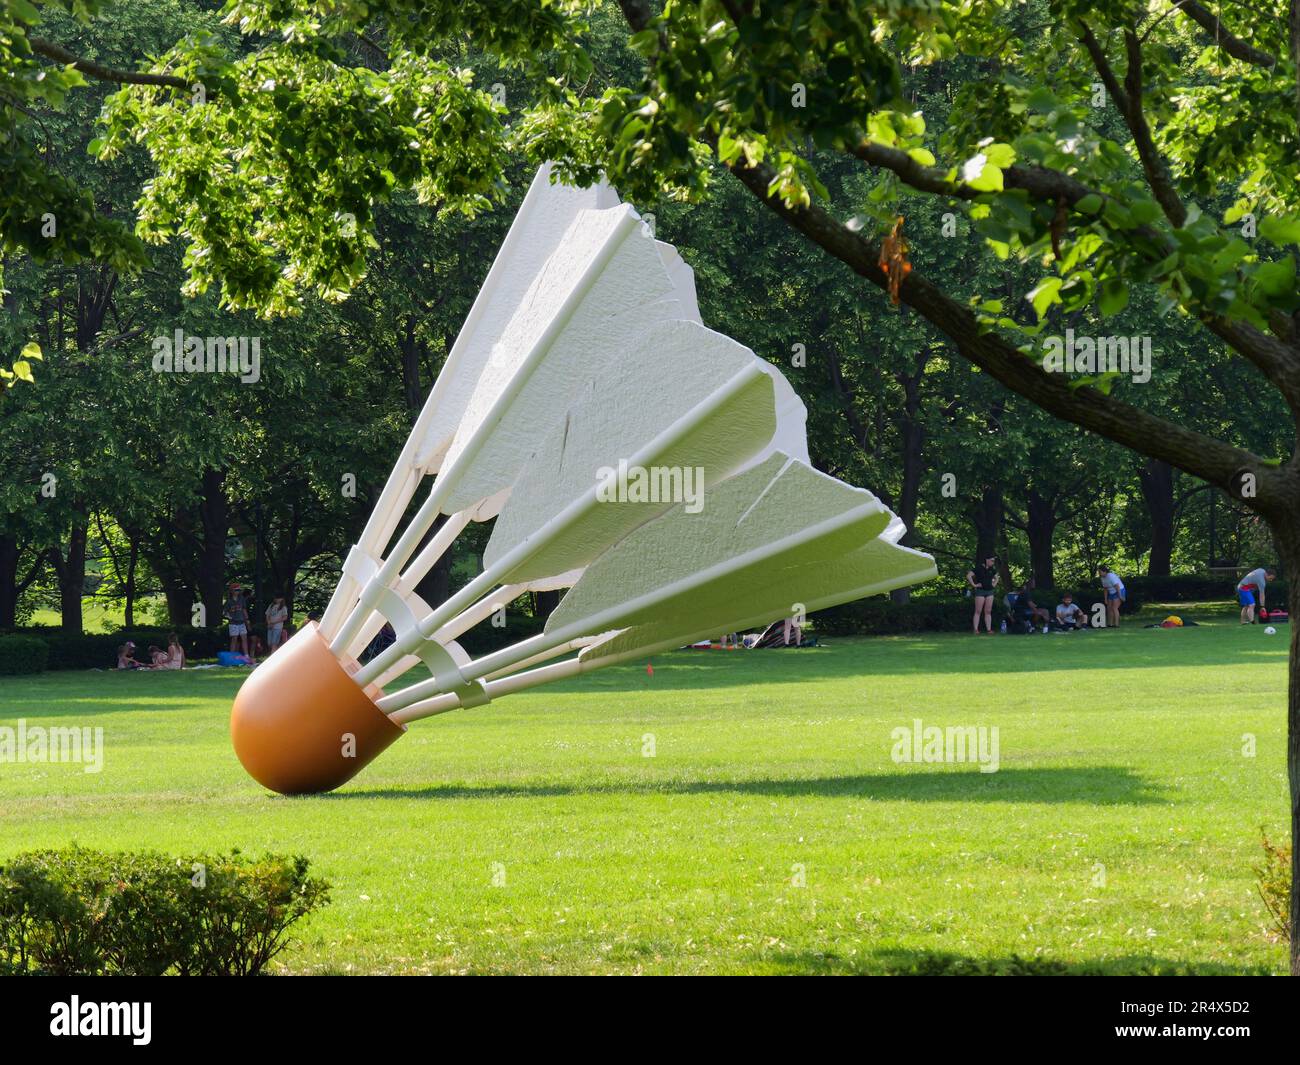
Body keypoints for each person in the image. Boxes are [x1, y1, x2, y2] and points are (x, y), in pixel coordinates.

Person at [966, 554, 999, 634]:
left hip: (990, 591)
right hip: (980, 591)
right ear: (986, 560)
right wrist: (974, 585)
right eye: (991, 560)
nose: (993, 562)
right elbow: (969, 575)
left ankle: (989, 629)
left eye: (993, 561)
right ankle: (976, 629)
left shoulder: (992, 569)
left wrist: (994, 584)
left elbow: (997, 577)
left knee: (988, 611)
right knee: (978, 611)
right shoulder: (978, 568)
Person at [225, 583, 250, 658]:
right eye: (236, 590)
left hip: (242, 622)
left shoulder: (241, 599)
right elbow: (225, 612)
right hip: (233, 623)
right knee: (234, 639)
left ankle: (246, 655)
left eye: (239, 590)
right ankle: (231, 655)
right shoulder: (229, 601)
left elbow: (244, 609)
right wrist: (230, 617)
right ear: (232, 591)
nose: (238, 591)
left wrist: (247, 620)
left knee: (244, 638)